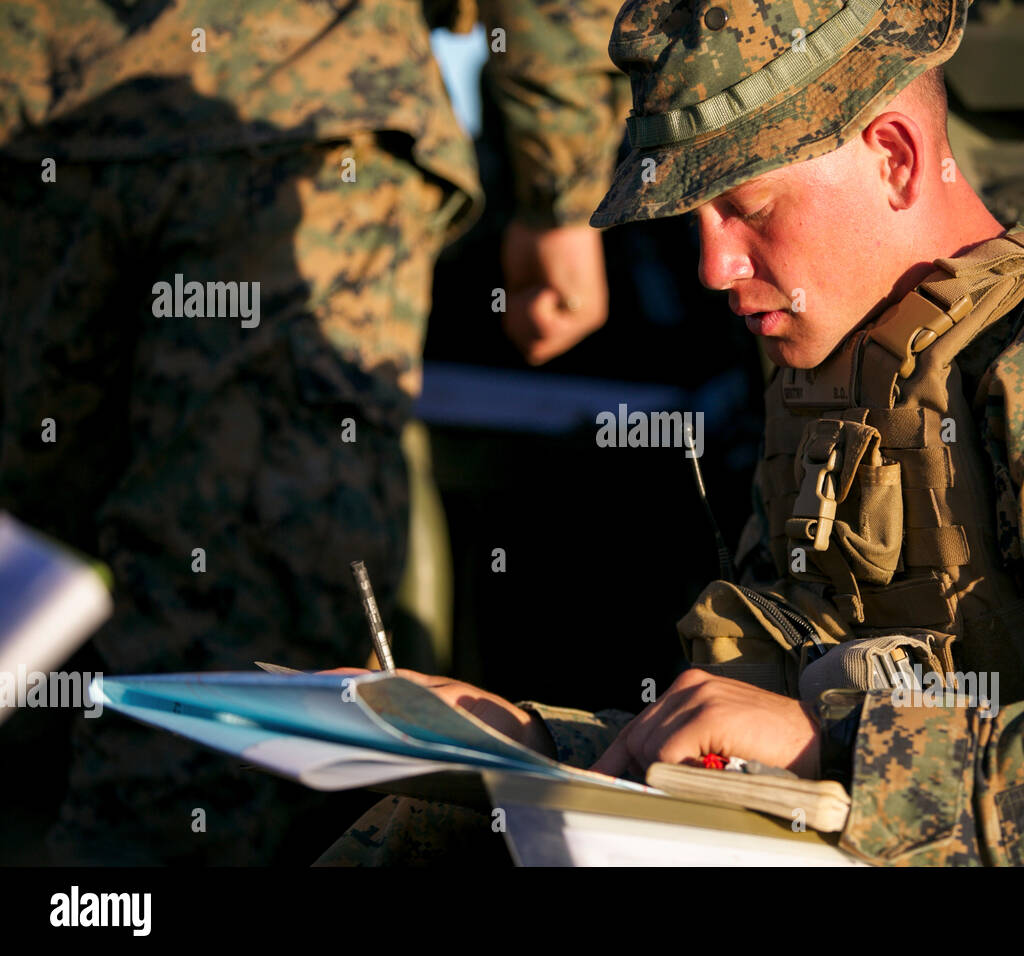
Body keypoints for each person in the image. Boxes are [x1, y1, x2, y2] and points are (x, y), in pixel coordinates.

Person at [320, 0, 1024, 867]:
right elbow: (746, 748)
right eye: (692, 218)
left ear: (894, 157)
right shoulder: (835, 381)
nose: (710, 264)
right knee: (425, 825)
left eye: (745, 208)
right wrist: (516, 740)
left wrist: (831, 742)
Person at [0, 0, 628, 864]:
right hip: (299, 110)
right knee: (246, 644)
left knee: (31, 610)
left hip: (41, 127)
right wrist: (560, 184)